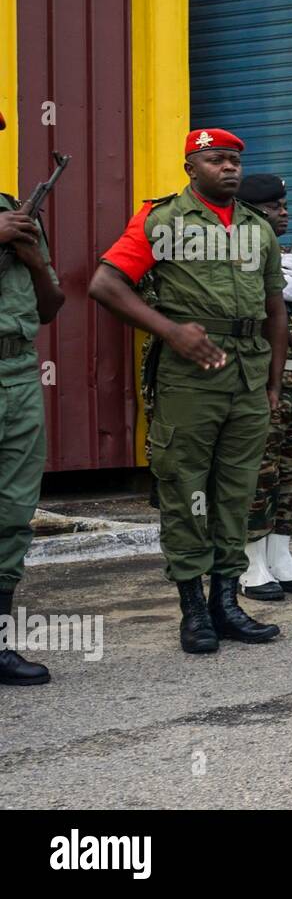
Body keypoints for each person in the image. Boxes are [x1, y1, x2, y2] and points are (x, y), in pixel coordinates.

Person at [90, 128, 286, 654]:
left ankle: (227, 603)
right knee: (186, 493)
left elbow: (275, 308)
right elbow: (105, 284)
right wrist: (170, 330)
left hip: (248, 375)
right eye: (217, 160)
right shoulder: (162, 220)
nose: (230, 169)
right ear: (190, 167)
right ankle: (193, 610)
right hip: (190, 380)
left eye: (236, 161)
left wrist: (273, 381)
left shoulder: (258, 229)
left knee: (236, 491)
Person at [234, 174, 292, 600]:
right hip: (261, 384)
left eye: (284, 205)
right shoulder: (236, 255)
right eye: (275, 207)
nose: (284, 212)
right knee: (260, 473)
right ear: (253, 212)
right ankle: (251, 561)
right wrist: (267, 293)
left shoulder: (291, 258)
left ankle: (281, 552)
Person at [0, 108, 66, 686]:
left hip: (17, 372)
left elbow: (50, 306)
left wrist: (30, 257)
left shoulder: (16, 213)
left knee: (13, 510)